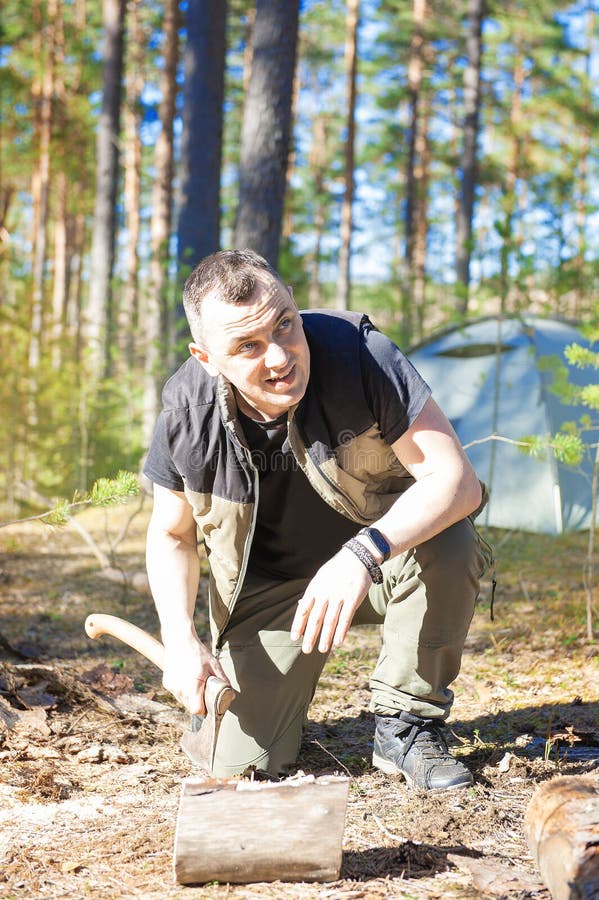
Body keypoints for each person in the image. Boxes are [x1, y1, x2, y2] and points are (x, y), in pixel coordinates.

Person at [143, 248, 490, 791]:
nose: (280, 357)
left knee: (450, 539)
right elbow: (171, 535)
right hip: (268, 595)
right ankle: (265, 709)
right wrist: (181, 638)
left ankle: (406, 726)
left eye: (285, 324)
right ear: (206, 357)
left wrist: (360, 555)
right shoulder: (186, 411)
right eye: (248, 346)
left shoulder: (359, 355)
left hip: (381, 567)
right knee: (236, 767)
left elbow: (456, 480)